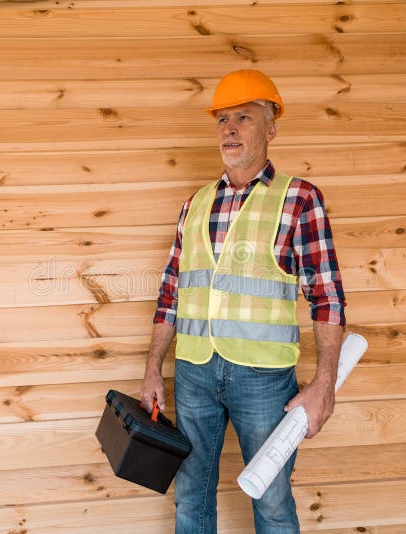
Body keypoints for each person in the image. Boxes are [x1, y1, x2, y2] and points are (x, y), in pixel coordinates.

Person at [140, 69, 346, 534]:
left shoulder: (298, 200)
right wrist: (154, 366)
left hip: (265, 381)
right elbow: (171, 292)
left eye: (245, 117)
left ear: (271, 127)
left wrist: (324, 384)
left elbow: (327, 295)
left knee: (271, 501)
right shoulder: (194, 205)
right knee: (190, 497)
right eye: (223, 119)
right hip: (193, 373)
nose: (230, 128)